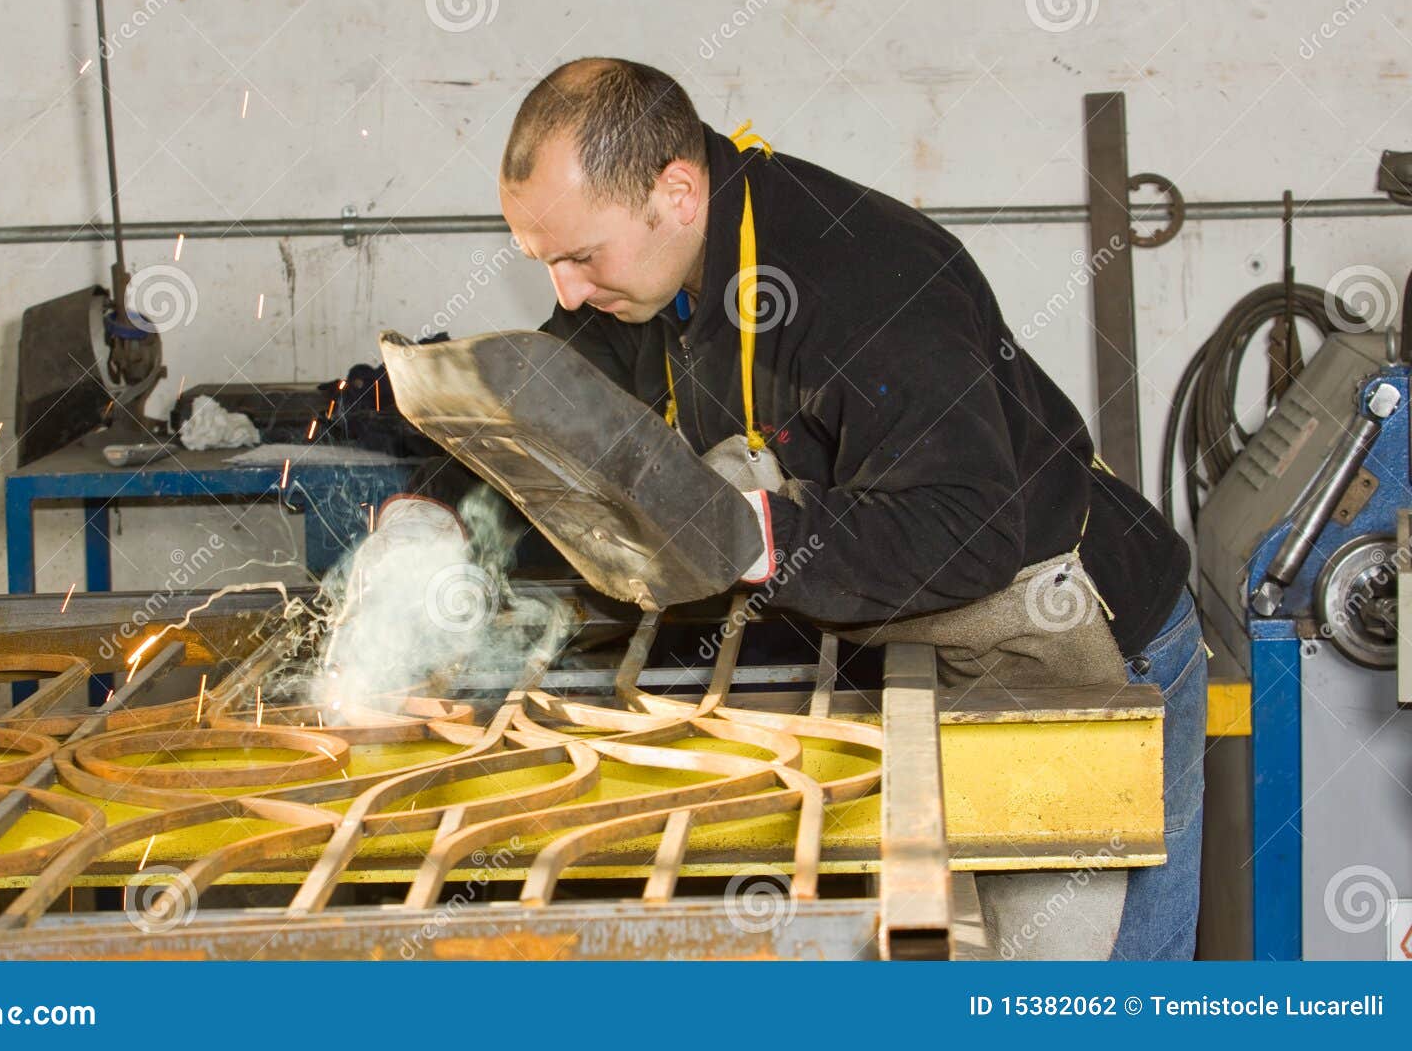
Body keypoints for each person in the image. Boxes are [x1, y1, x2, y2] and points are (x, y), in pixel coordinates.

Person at [392, 56, 1203, 959]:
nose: (567, 291)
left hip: (1077, 633)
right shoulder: (648, 278)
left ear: (680, 191)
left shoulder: (867, 276)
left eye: (581, 256)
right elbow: (553, 407)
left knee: (1089, 998)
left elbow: (965, 528)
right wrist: (435, 511)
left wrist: (750, 535)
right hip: (930, 636)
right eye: (547, 264)